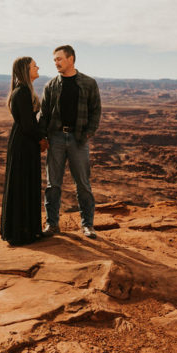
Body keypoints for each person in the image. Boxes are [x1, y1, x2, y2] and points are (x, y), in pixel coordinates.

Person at [38, 45, 101, 239]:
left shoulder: (88, 83)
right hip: (56, 138)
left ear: (71, 59)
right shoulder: (51, 85)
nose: (56, 63)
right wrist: (42, 136)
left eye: (59, 59)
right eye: (55, 60)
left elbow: (95, 111)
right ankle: (52, 224)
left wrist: (88, 133)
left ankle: (87, 225)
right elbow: (44, 114)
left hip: (79, 139)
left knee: (83, 184)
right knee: (53, 184)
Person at [1, 57, 49, 246]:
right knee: (23, 184)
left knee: (25, 184)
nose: (37, 67)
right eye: (34, 66)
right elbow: (28, 125)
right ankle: (21, 233)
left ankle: (27, 230)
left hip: (24, 142)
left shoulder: (23, 90)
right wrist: (41, 139)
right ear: (25, 70)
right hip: (24, 143)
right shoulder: (21, 92)